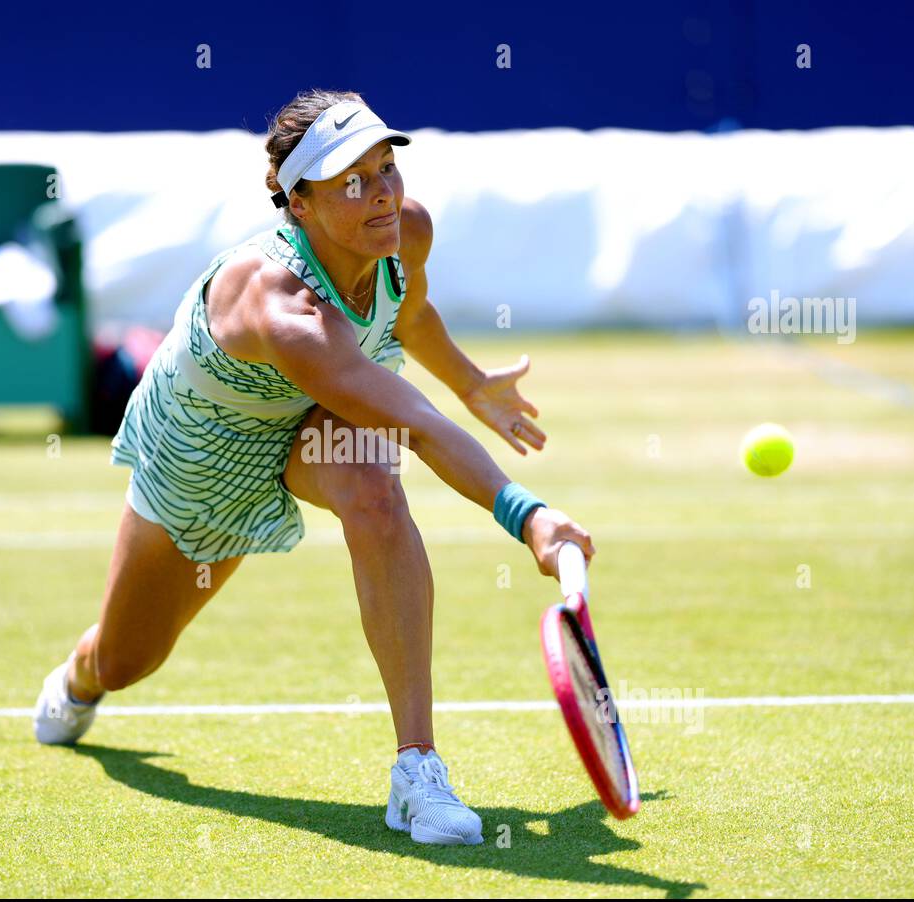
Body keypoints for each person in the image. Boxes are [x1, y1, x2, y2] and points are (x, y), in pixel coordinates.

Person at [33, 89, 594, 845]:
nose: (382, 192)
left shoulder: (404, 229)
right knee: (128, 658)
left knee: (374, 489)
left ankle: (417, 771)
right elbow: (419, 426)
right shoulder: (283, 310)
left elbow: (409, 314)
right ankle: (80, 675)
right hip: (207, 454)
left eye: (385, 165)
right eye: (351, 181)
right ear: (297, 203)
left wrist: (470, 383)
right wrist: (528, 515)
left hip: (314, 422)